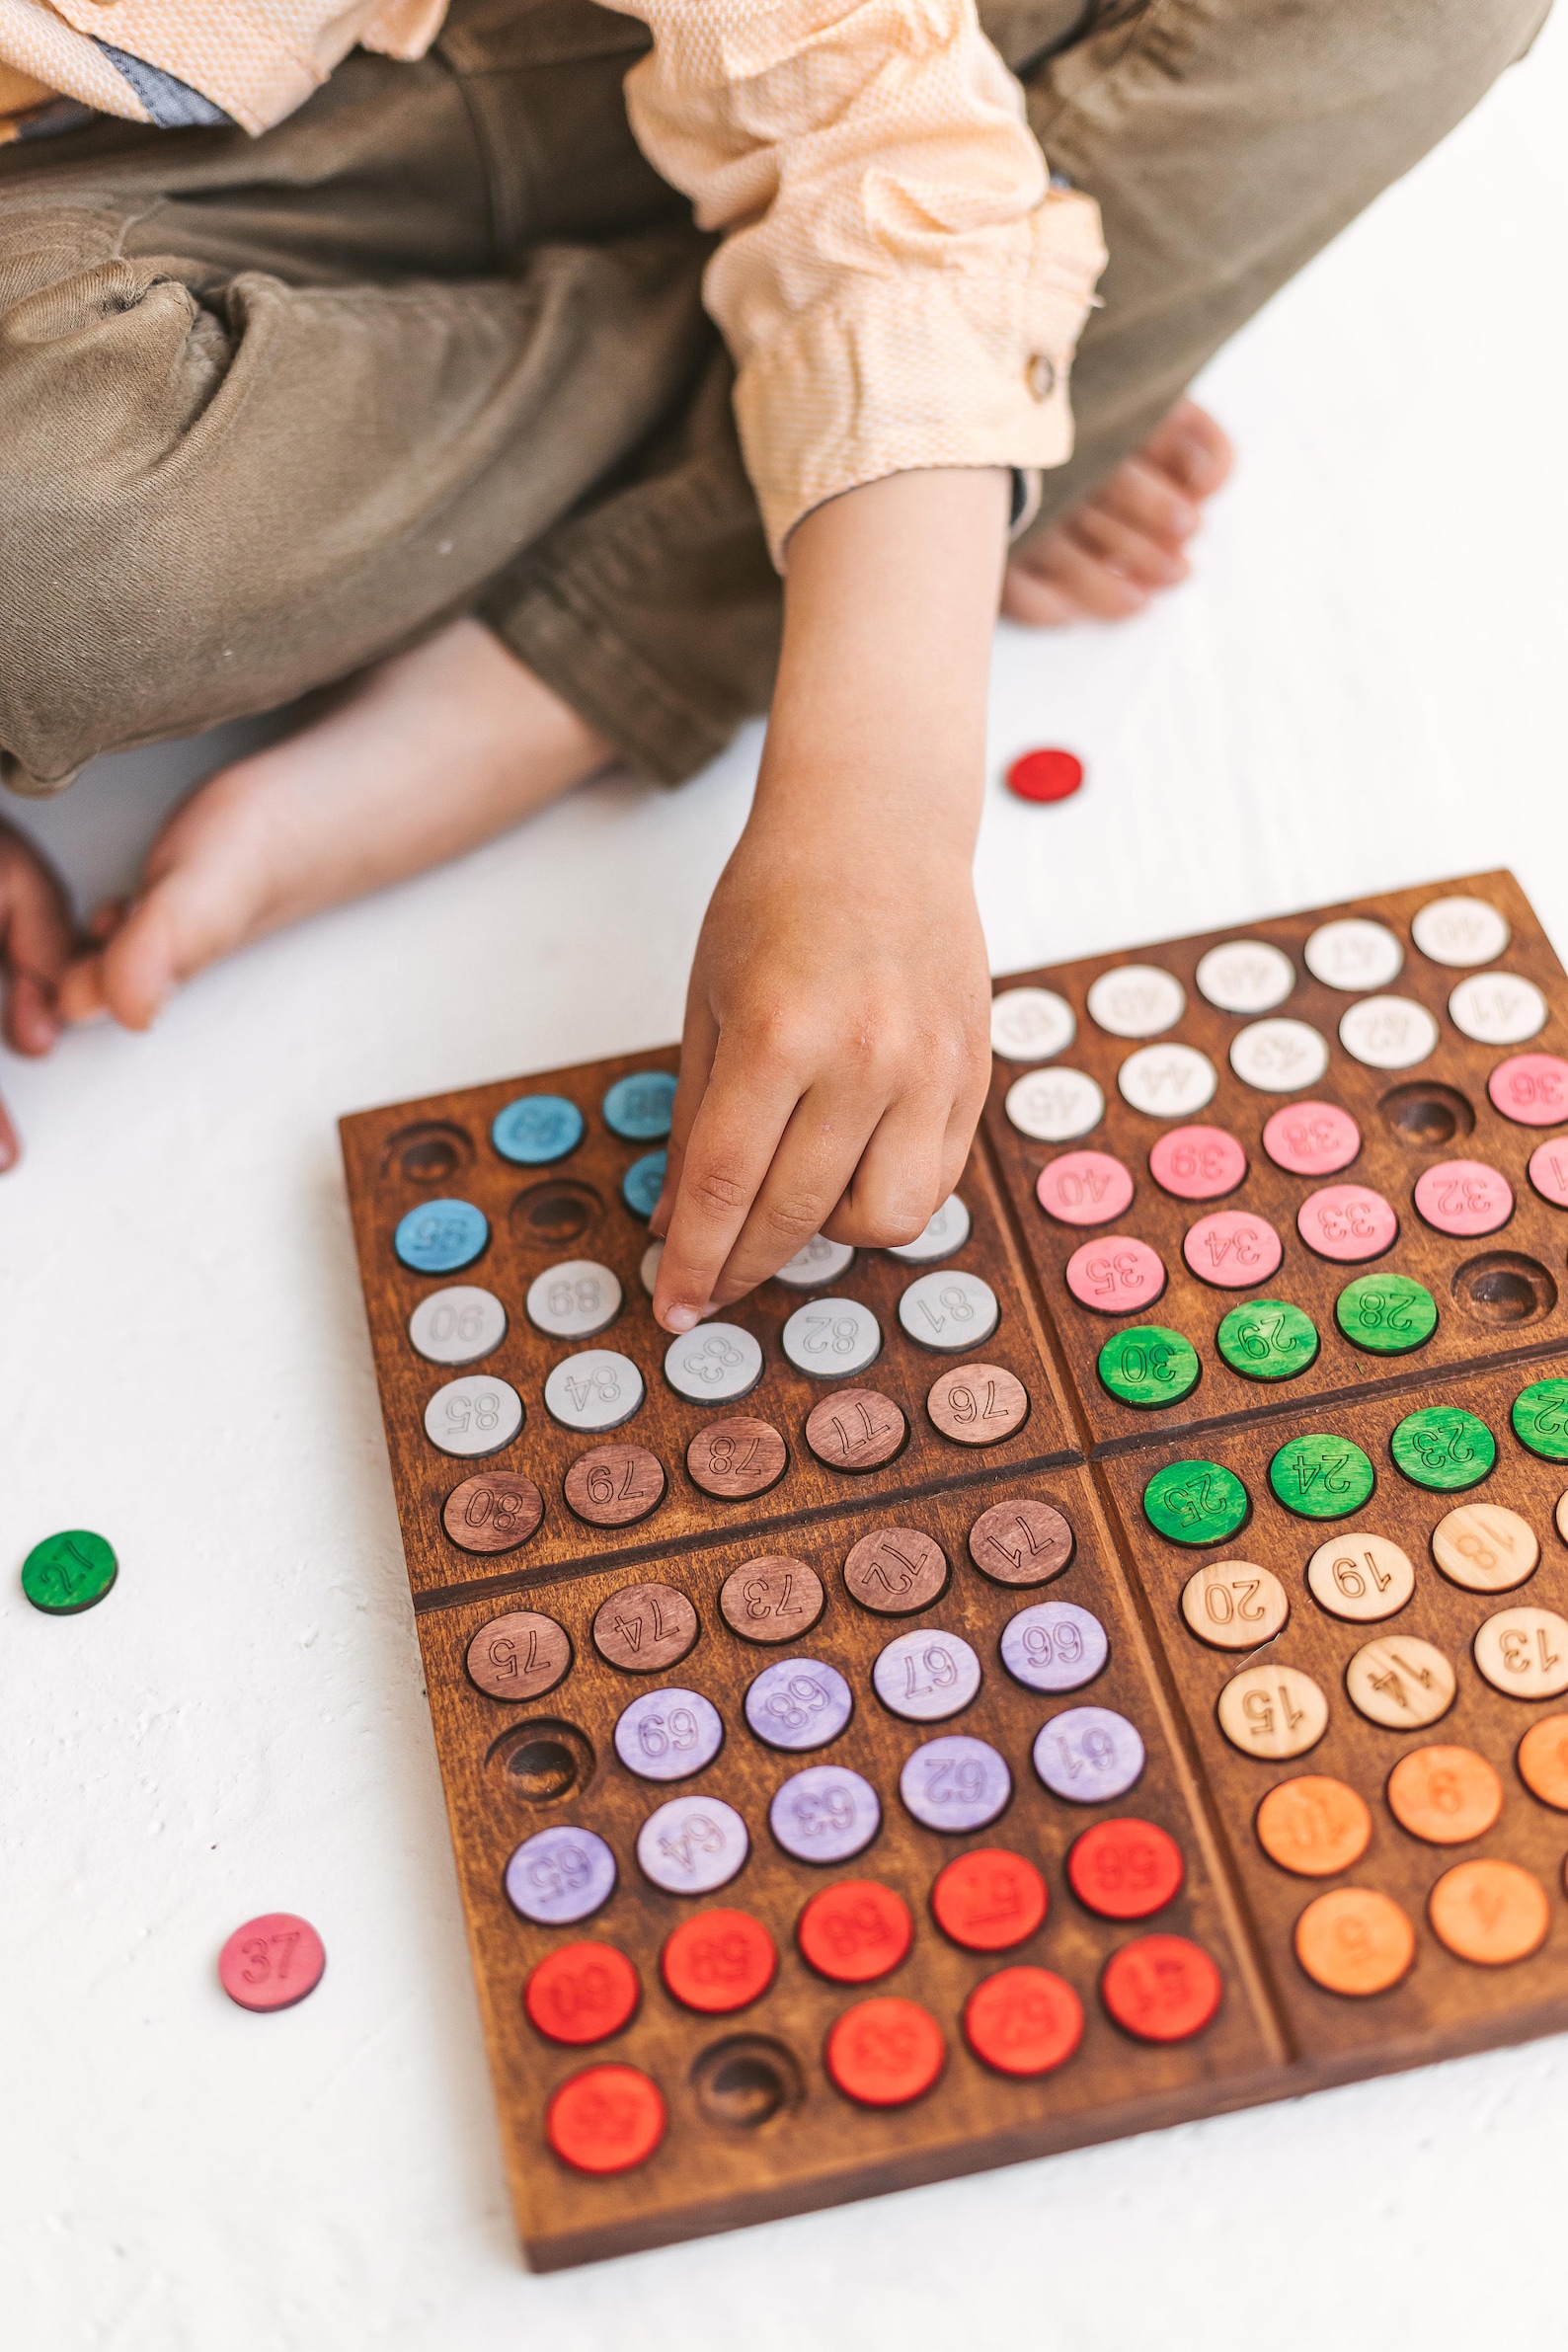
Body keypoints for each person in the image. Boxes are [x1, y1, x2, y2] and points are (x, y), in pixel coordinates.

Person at [0, 0, 1546, 1339]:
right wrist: (970, 417)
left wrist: (876, 812)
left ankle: (556, 685)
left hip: (700, 42)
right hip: (101, 199)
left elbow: (872, 115)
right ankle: (956, 381)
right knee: (42, 550)